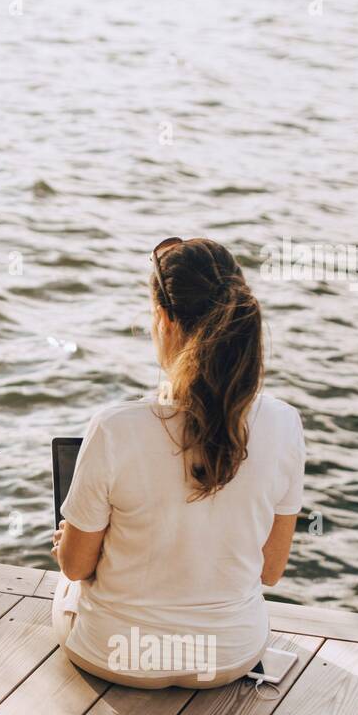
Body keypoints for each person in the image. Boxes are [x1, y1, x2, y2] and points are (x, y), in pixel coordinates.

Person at [50, 237, 305, 689]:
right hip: (230, 656)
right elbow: (270, 570)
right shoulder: (284, 424)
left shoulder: (114, 427)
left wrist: (68, 546)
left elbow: (75, 567)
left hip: (116, 654)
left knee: (66, 585)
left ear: (165, 321)